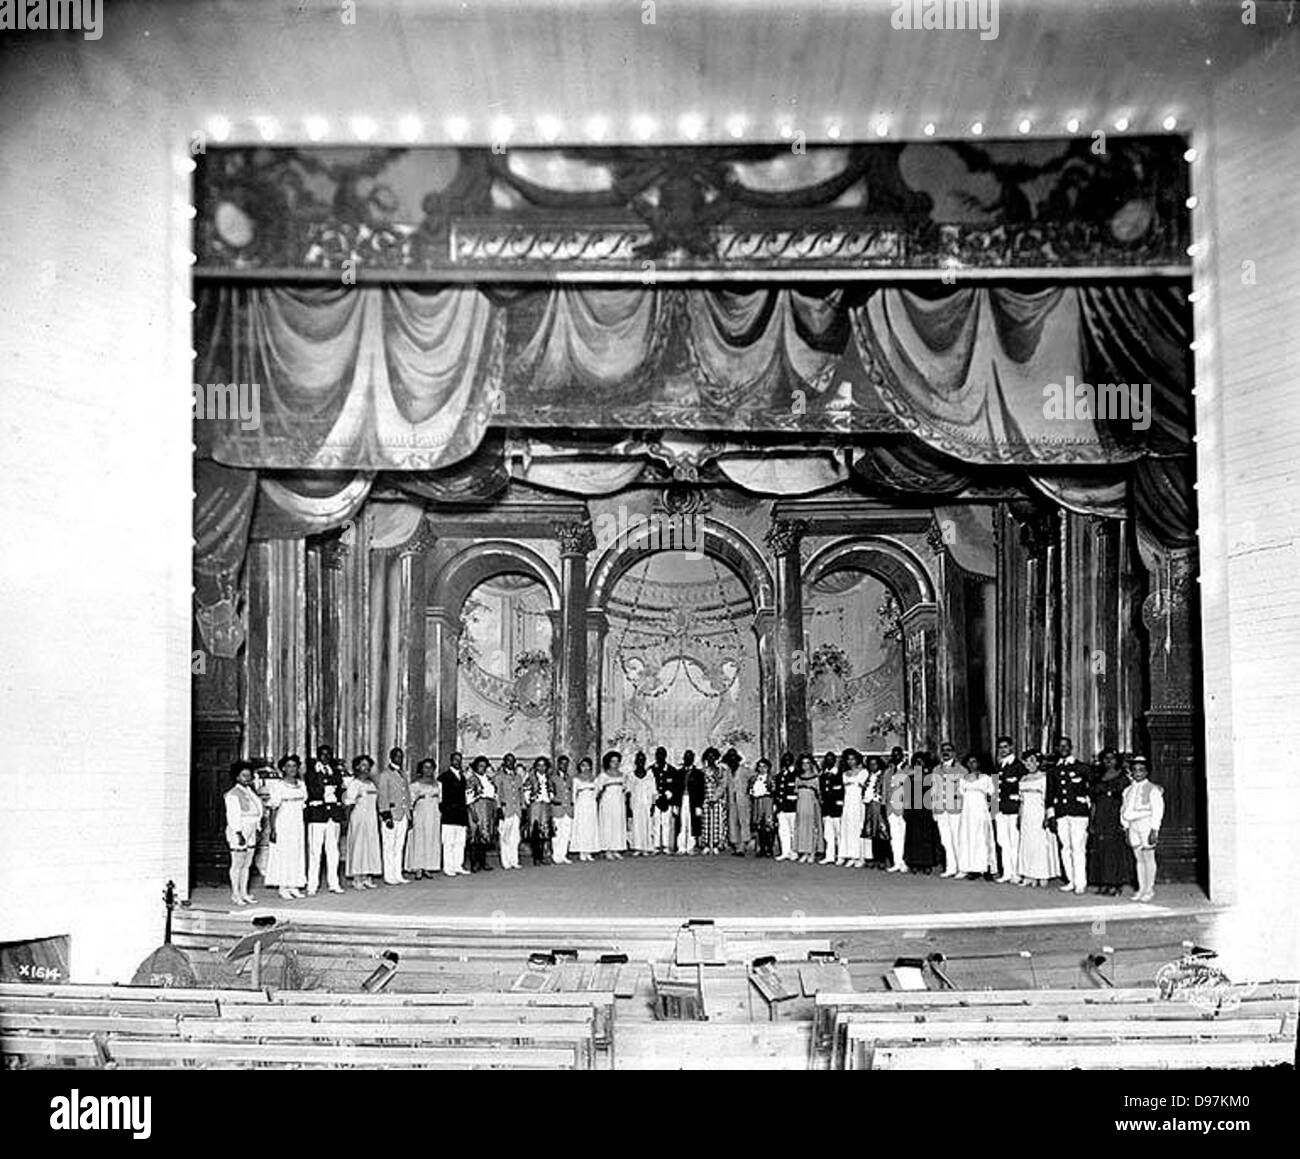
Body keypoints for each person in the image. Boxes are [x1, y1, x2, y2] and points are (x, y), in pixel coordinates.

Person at [1047, 735, 1092, 895]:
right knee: (1065, 847)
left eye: (1066, 746)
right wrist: (1050, 815)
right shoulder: (1054, 770)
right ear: (1057, 749)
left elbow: (1090, 790)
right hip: (1061, 812)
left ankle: (1081, 882)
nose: (1063, 749)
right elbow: (1050, 794)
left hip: (1078, 813)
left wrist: (1089, 809)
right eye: (1060, 746)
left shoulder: (1082, 768)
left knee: (1078, 847)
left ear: (1071, 747)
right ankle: (1071, 880)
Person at [1088, 748, 1132, 896]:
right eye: (1105, 758)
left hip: (1115, 818)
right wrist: (1092, 821)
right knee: (1100, 850)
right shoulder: (1098, 777)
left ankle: (1115, 884)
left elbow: (1128, 801)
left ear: (1117, 760)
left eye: (1112, 758)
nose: (1108, 761)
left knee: (1114, 852)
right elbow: (1093, 802)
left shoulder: (1123, 778)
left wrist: (1124, 821)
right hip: (1100, 817)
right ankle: (1103, 883)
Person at [1121, 755, 1164, 902]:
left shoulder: (1153, 789)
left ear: (1146, 772)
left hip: (1146, 824)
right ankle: (1141, 888)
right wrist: (1126, 828)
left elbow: (1158, 810)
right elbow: (1124, 810)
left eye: (1141, 770)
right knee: (1138, 859)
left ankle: (1149, 889)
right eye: (1135, 770)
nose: (1137, 773)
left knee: (1148, 857)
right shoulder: (1127, 790)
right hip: (1133, 825)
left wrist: (1154, 829)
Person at [304, 745, 346, 895]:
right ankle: (312, 884)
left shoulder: (335, 771)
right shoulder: (312, 772)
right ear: (318, 756)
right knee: (315, 851)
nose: (325, 757)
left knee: (333, 850)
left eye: (328, 755)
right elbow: (315, 791)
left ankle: (333, 883)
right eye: (323, 755)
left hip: (332, 814)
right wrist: (327, 787)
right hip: (317, 815)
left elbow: (339, 789)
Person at [265, 754, 308, 899]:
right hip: (283, 823)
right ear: (283, 768)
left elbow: (303, 806)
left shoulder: (302, 785)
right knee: (284, 854)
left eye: (294, 766)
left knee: (297, 853)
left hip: (297, 823)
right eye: (289, 766)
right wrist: (273, 829)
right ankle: (283, 886)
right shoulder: (278, 786)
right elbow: (273, 809)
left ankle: (294, 885)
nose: (292, 769)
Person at [224, 759, 264, 906]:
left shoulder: (250, 792)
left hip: (252, 828)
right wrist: (238, 833)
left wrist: (258, 829)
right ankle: (235, 893)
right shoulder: (232, 794)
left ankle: (244, 892)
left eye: (249, 776)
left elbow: (258, 811)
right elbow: (233, 816)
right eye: (243, 776)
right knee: (237, 863)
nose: (247, 779)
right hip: (240, 830)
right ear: (237, 777)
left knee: (247, 864)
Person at [954, 753, 996, 878]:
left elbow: (992, 795)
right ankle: (973, 868)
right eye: (969, 762)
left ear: (979, 763)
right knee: (969, 838)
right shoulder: (962, 780)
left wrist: (989, 808)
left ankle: (987, 867)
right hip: (967, 813)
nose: (972, 764)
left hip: (981, 811)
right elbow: (960, 794)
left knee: (983, 838)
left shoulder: (986, 778)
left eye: (974, 761)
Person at [344, 755, 382, 889]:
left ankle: (367, 876)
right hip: (359, 818)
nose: (366, 769)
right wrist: (347, 821)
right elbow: (349, 804)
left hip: (371, 818)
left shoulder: (371, 784)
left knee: (370, 846)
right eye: (363, 765)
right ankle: (357, 877)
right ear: (357, 767)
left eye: (368, 766)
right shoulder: (354, 784)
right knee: (359, 846)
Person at [375, 748, 412, 885]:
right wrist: (386, 816)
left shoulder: (403, 774)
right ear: (391, 757)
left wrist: (409, 813)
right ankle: (389, 875)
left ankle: (398, 873)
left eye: (401, 756)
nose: (399, 759)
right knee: (389, 846)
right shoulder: (385, 774)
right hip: (391, 814)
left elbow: (406, 795)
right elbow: (382, 796)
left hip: (403, 814)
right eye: (396, 756)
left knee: (399, 846)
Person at [902, 751, 942, 874]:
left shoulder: (931, 778)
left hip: (926, 810)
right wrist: (906, 810)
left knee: (927, 837)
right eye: (916, 762)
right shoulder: (910, 778)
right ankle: (913, 862)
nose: (919, 764)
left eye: (921, 762)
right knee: (912, 837)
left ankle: (927, 863)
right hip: (913, 811)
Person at [992, 736, 1024, 884]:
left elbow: (1021, 789)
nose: (1003, 750)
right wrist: (993, 810)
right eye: (1000, 747)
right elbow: (994, 789)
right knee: (1003, 841)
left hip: (1013, 808)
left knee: (1014, 841)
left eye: (1005, 747)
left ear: (1011, 747)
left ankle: (1016, 872)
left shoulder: (1018, 766)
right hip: (1000, 809)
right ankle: (1007, 871)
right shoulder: (998, 766)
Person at [404, 759, 442, 879]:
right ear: (421, 769)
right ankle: (418, 867)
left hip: (434, 813)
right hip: (420, 813)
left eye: (431, 767)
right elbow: (410, 802)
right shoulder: (415, 785)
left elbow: (441, 800)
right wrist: (410, 817)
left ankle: (428, 866)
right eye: (426, 767)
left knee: (431, 838)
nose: (428, 770)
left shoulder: (438, 784)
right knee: (419, 838)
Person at [931, 741, 963, 877]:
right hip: (940, 809)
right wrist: (934, 809)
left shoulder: (961, 770)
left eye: (949, 750)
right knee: (945, 840)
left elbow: (963, 791)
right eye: (943, 750)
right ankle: (951, 867)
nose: (946, 753)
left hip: (955, 808)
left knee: (957, 838)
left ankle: (962, 868)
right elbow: (933, 791)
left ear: (954, 753)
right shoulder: (936, 770)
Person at [438, 754, 470, 876]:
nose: (458, 762)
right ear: (451, 761)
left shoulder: (462, 777)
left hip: (461, 815)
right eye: (455, 760)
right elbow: (440, 797)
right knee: (449, 842)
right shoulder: (443, 777)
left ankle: (458, 865)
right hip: (449, 815)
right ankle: (448, 867)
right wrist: (445, 810)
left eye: (460, 760)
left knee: (460, 842)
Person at [493, 753, 525, 871]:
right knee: (505, 836)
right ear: (504, 762)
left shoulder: (518, 777)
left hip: (516, 810)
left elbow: (520, 793)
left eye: (512, 761)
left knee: (515, 837)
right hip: (505, 810)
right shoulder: (499, 776)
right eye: (508, 761)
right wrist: (498, 808)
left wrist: (523, 807)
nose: (510, 763)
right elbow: (496, 793)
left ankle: (514, 860)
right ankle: (505, 861)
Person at [466, 756, 497, 873]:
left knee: (485, 835)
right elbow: (468, 798)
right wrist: (473, 811)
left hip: (488, 807)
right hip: (476, 807)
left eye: (484, 766)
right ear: (475, 767)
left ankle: (483, 861)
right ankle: (474, 863)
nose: (482, 768)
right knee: (475, 835)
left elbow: (493, 794)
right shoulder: (471, 780)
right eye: (480, 766)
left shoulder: (488, 779)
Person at [838, 749, 868, 868]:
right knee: (846, 828)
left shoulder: (863, 772)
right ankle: (848, 854)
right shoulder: (845, 774)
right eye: (848, 759)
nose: (851, 761)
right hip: (848, 803)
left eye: (853, 759)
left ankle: (858, 855)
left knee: (857, 828)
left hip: (857, 803)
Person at [596, 750, 628, 859]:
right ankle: (608, 849)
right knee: (608, 824)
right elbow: (597, 790)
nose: (615, 764)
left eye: (617, 761)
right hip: (607, 803)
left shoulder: (623, 775)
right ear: (608, 762)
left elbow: (625, 789)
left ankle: (616, 848)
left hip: (619, 803)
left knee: (618, 824)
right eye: (613, 761)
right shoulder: (603, 776)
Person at [881, 748, 908, 873]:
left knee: (905, 835)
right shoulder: (888, 772)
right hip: (890, 808)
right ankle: (897, 861)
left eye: (898, 755)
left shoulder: (909, 770)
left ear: (902, 756)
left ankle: (905, 861)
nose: (896, 757)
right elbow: (885, 790)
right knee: (894, 836)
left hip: (904, 807)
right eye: (894, 755)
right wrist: (884, 805)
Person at [522, 756, 553, 866]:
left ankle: (544, 855)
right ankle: (536, 857)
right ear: (535, 766)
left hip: (546, 805)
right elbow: (525, 791)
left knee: (545, 831)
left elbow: (552, 790)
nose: (541, 768)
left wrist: (551, 797)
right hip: (535, 805)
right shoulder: (530, 777)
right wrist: (530, 800)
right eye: (539, 765)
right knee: (535, 831)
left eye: (543, 765)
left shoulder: (548, 777)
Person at [793, 753, 822, 863]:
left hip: (811, 803)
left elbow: (819, 792)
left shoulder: (816, 777)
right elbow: (796, 791)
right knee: (801, 827)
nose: (805, 765)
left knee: (811, 827)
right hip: (801, 804)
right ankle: (803, 851)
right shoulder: (798, 777)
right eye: (803, 763)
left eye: (808, 763)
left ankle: (812, 852)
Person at [571, 756, 600, 862]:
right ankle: (582, 850)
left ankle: (589, 850)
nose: (585, 768)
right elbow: (574, 794)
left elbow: (597, 792)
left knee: (590, 827)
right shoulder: (576, 779)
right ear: (580, 767)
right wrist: (574, 805)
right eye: (583, 765)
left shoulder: (594, 779)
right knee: (582, 827)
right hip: (581, 805)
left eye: (587, 765)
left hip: (591, 804)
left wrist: (593, 801)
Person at [628, 750, 657, 855]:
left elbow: (654, 792)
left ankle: (645, 847)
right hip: (635, 804)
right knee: (636, 825)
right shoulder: (631, 776)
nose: (640, 762)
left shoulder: (650, 775)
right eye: (639, 760)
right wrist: (628, 808)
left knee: (647, 825)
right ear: (635, 761)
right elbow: (628, 792)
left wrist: (653, 805)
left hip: (646, 804)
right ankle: (637, 847)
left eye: (642, 760)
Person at [723, 748, 751, 855]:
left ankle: (743, 846)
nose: (732, 761)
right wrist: (714, 797)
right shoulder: (727, 772)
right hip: (731, 801)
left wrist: (750, 789)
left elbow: (754, 778)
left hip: (743, 800)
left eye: (734, 759)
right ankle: (736, 844)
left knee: (743, 822)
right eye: (730, 759)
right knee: (733, 822)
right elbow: (723, 785)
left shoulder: (744, 770)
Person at [700, 747, 728, 855]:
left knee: (717, 822)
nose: (711, 759)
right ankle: (706, 844)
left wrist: (715, 798)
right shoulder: (703, 771)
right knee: (705, 822)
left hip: (717, 799)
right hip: (706, 798)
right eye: (709, 757)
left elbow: (722, 785)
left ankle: (716, 844)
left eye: (713, 756)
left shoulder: (721, 770)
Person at [819, 751, 845, 865]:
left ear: (835, 761)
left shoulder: (840, 774)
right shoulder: (823, 775)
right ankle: (829, 856)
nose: (829, 762)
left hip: (837, 807)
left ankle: (841, 856)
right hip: (826, 807)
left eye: (831, 759)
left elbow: (842, 791)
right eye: (827, 760)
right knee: (828, 833)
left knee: (839, 833)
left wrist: (840, 803)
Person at [749, 758, 777, 858]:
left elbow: (774, 791)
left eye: (764, 766)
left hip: (768, 801)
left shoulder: (771, 778)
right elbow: (751, 790)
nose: (762, 769)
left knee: (768, 825)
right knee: (759, 825)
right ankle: (761, 847)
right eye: (760, 766)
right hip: (757, 801)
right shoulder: (754, 778)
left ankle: (769, 848)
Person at [651, 747, 677, 854]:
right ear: (656, 756)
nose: (660, 756)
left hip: (667, 800)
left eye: (662, 754)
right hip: (656, 799)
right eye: (658, 754)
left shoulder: (671, 770)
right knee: (656, 822)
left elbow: (675, 785)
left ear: (665, 756)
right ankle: (656, 845)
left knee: (666, 823)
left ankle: (666, 845)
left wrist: (669, 794)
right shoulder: (651, 769)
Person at [548, 755, 574, 864]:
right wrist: (555, 800)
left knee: (566, 833)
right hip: (557, 809)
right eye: (562, 764)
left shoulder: (569, 778)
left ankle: (563, 854)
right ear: (558, 764)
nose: (564, 766)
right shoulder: (552, 778)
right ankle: (556, 855)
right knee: (557, 834)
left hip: (568, 810)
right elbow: (550, 793)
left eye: (566, 764)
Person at [774, 752, 799, 860]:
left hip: (792, 807)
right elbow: (778, 791)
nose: (786, 762)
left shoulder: (796, 774)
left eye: (788, 759)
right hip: (782, 806)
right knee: (783, 830)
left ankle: (794, 851)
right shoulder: (780, 775)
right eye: (784, 760)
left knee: (793, 830)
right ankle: (785, 851)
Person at [680, 750, 704, 855]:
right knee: (681, 823)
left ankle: (690, 846)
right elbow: (676, 789)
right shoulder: (679, 772)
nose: (687, 759)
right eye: (686, 757)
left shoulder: (698, 774)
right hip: (682, 800)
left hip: (693, 801)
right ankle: (681, 847)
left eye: (690, 757)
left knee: (691, 824)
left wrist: (699, 805)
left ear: (693, 759)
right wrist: (676, 804)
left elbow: (701, 790)